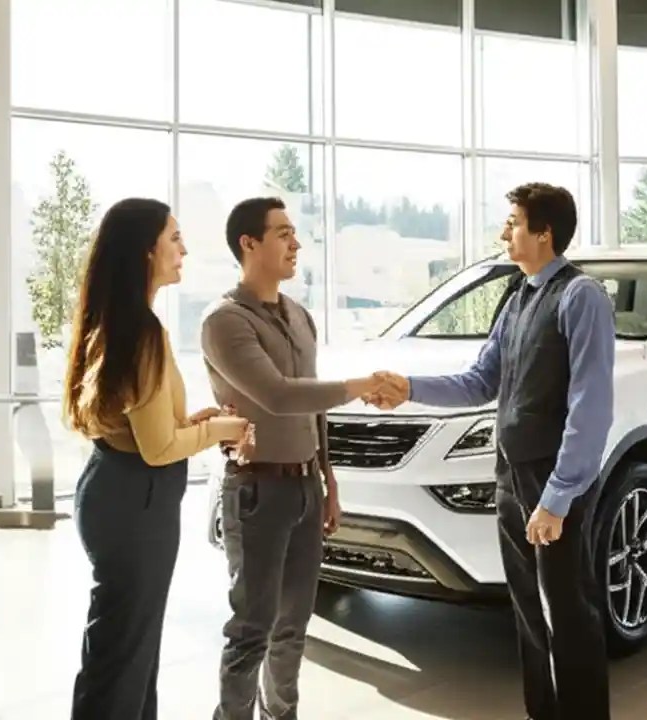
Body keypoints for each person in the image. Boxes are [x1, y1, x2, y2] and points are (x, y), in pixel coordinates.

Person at [368, 183, 615, 720]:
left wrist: (557, 498)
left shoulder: (581, 297)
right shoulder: (519, 296)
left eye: (514, 222)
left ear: (544, 233)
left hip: (553, 480)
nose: (505, 232)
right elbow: (480, 381)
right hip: (511, 475)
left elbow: (591, 404)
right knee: (527, 609)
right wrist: (408, 388)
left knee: (569, 613)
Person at [62, 197, 251, 720]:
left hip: (117, 491)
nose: (183, 249)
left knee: (125, 653)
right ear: (146, 251)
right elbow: (158, 448)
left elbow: (148, 428)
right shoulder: (143, 332)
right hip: (136, 504)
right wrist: (222, 430)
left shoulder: (119, 323)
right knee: (124, 660)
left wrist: (194, 422)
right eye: (174, 238)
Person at [201, 196, 388, 720]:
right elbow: (279, 396)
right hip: (257, 492)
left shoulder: (300, 317)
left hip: (306, 488)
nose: (296, 243)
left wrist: (327, 479)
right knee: (252, 630)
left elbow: (312, 408)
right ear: (249, 243)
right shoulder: (224, 321)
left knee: (292, 629)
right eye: (283, 233)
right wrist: (362, 385)